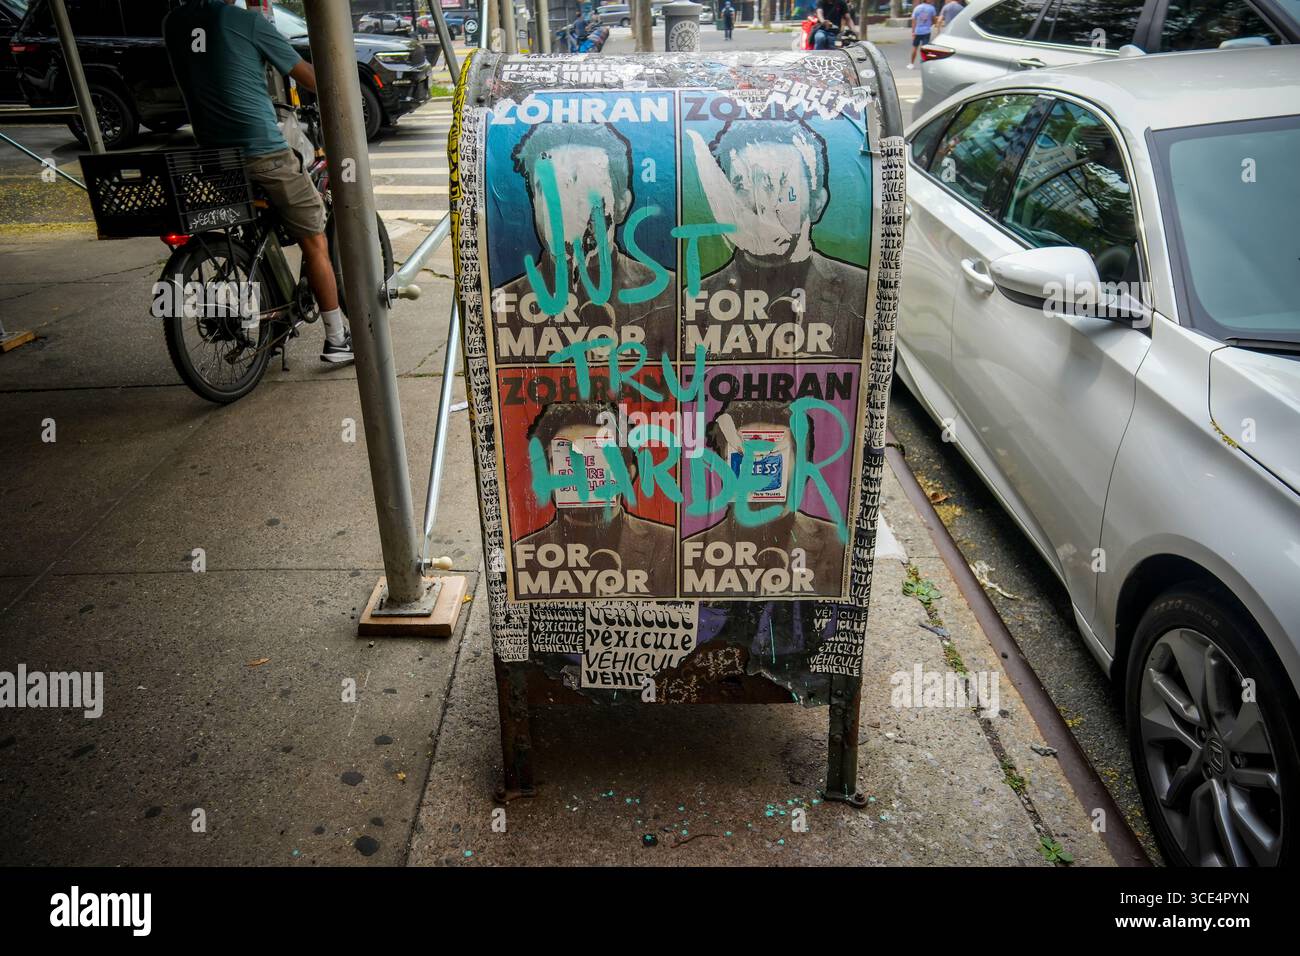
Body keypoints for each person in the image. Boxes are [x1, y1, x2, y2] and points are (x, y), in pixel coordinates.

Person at [163, 0, 352, 364]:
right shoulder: (245, 22)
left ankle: (274, 313)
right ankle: (337, 339)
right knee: (313, 236)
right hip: (261, 151)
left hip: (213, 156)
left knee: (257, 225)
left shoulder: (172, 23)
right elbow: (311, 78)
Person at [683, 119, 869, 360]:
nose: (761, 206)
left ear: (816, 204)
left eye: (781, 184)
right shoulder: (695, 301)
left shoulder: (860, 292)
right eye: (742, 185)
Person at [495, 121, 677, 365]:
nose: (563, 204)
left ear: (621, 203)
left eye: (585, 184)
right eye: (547, 188)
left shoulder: (668, 296)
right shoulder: (505, 304)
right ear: (534, 204)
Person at [512, 401, 676, 598]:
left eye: (597, 457)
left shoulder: (669, 544)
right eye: (566, 459)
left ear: (628, 474)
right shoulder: (522, 554)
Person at [908, 0, 937, 68]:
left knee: (915, 47)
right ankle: (924, 64)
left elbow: (913, 20)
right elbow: (934, 20)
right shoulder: (931, 8)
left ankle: (911, 64)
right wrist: (930, 24)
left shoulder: (917, 8)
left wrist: (913, 32)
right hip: (926, 31)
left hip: (917, 31)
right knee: (925, 48)